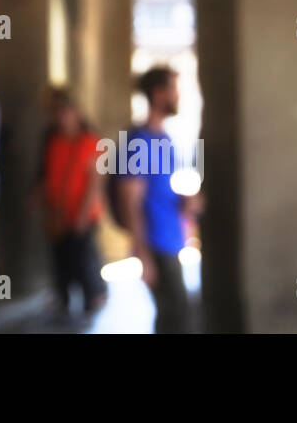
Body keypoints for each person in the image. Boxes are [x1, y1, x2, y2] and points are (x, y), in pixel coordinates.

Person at [121, 65, 194, 333]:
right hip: (156, 244)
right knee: (176, 321)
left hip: (170, 240)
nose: (178, 96)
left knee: (175, 319)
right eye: (174, 89)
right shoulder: (139, 141)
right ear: (159, 93)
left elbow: (159, 191)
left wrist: (185, 202)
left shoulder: (164, 137)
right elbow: (129, 199)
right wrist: (142, 253)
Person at [40, 87, 107, 319]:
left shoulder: (92, 143)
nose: (62, 119)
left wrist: (82, 214)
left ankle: (93, 298)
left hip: (84, 214)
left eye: (66, 113)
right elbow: (50, 177)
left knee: (84, 259)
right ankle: (63, 299)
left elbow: (95, 183)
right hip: (59, 213)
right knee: (61, 259)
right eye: (58, 114)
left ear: (77, 114)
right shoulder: (53, 141)